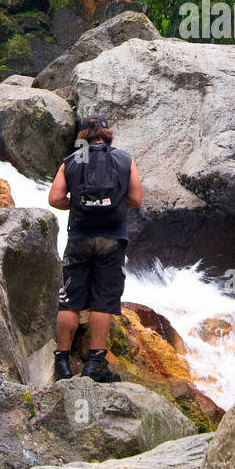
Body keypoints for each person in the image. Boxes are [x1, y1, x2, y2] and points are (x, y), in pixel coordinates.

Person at [48, 114, 143, 383]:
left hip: (79, 237)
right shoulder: (125, 159)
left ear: (83, 136)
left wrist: (76, 205)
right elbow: (136, 199)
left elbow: (55, 198)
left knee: (70, 301)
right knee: (103, 300)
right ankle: (95, 364)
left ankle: (62, 364)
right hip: (112, 240)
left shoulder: (72, 161)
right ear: (108, 134)